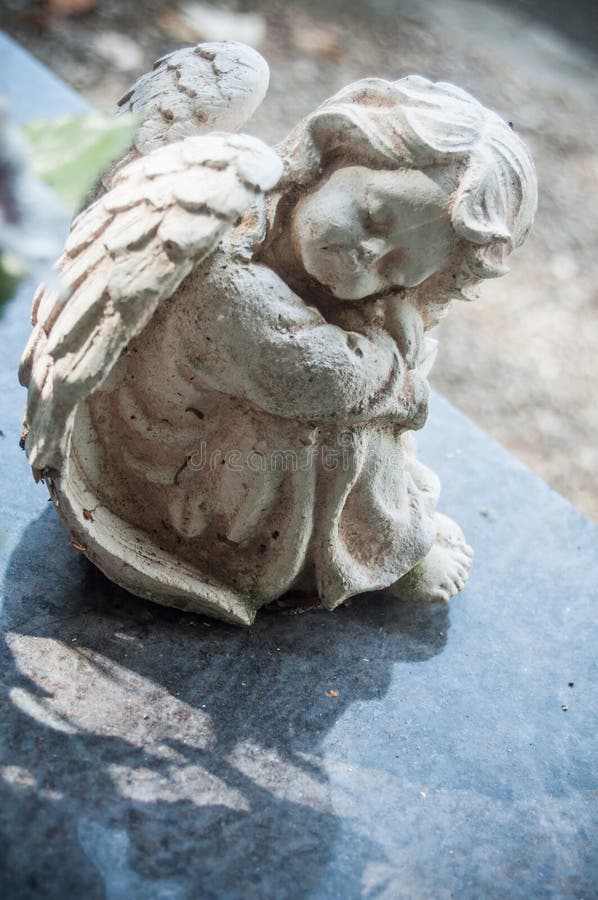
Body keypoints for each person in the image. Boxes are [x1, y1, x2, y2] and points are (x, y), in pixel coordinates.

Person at [76, 75, 536, 618]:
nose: (367, 254)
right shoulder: (223, 261)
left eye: (397, 268)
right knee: (333, 428)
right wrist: (402, 380)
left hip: (229, 433)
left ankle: (385, 531)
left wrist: (389, 319)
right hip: (175, 470)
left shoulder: (316, 257)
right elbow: (312, 377)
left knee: (358, 396)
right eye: (372, 216)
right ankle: (386, 548)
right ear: (331, 155)